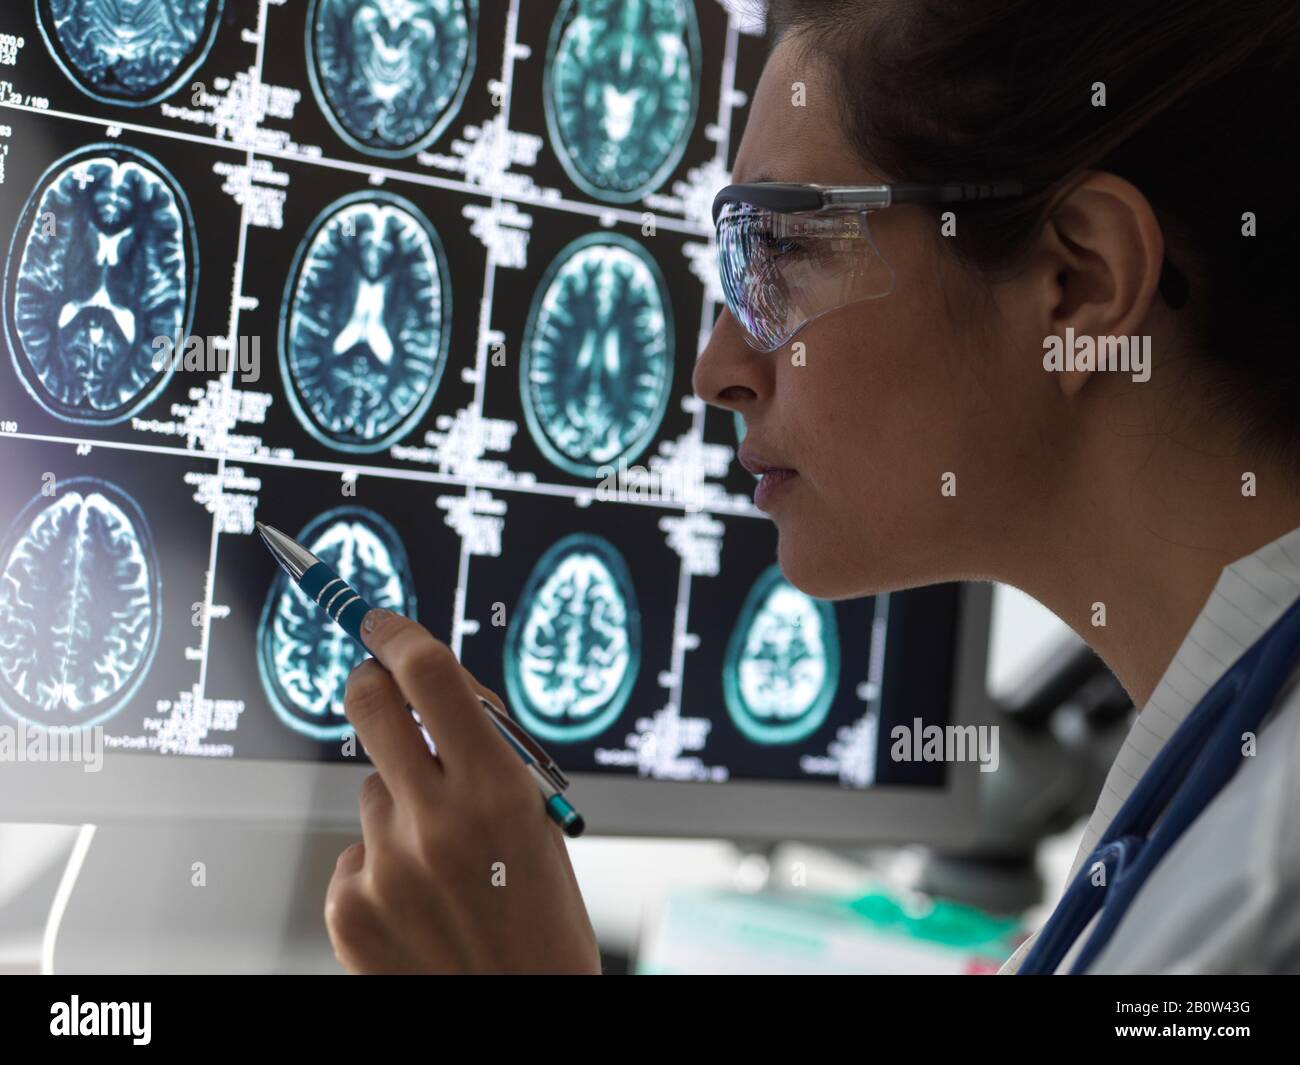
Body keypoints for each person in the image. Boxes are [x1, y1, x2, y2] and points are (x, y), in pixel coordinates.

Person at [322, 0, 1300, 973]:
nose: (715, 371)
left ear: (1078, 285)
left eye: (778, 249)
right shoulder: (1209, 800)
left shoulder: (1258, 901)